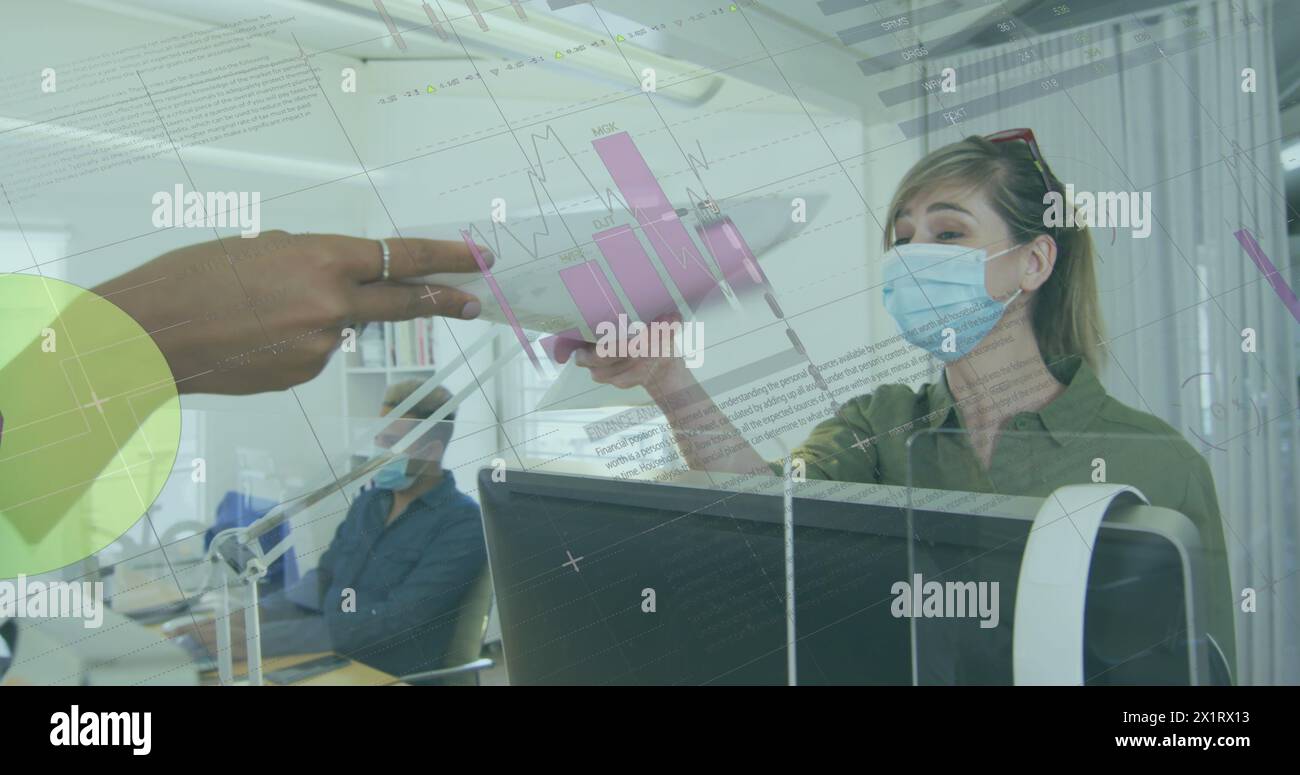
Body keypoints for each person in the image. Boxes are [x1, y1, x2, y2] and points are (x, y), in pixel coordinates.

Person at [568, 131, 1237, 684]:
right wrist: (669, 379)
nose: (914, 258)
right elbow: (764, 511)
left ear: (1033, 262)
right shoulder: (880, 426)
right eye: (902, 237)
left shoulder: (1158, 462)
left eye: (947, 233)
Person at [173, 380, 487, 681]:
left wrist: (261, 639)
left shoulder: (462, 524)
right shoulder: (369, 503)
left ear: (431, 451)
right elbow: (323, 581)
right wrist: (250, 618)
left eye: (391, 442)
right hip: (328, 655)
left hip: (386, 671)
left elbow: (395, 622)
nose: (377, 449)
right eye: (378, 437)